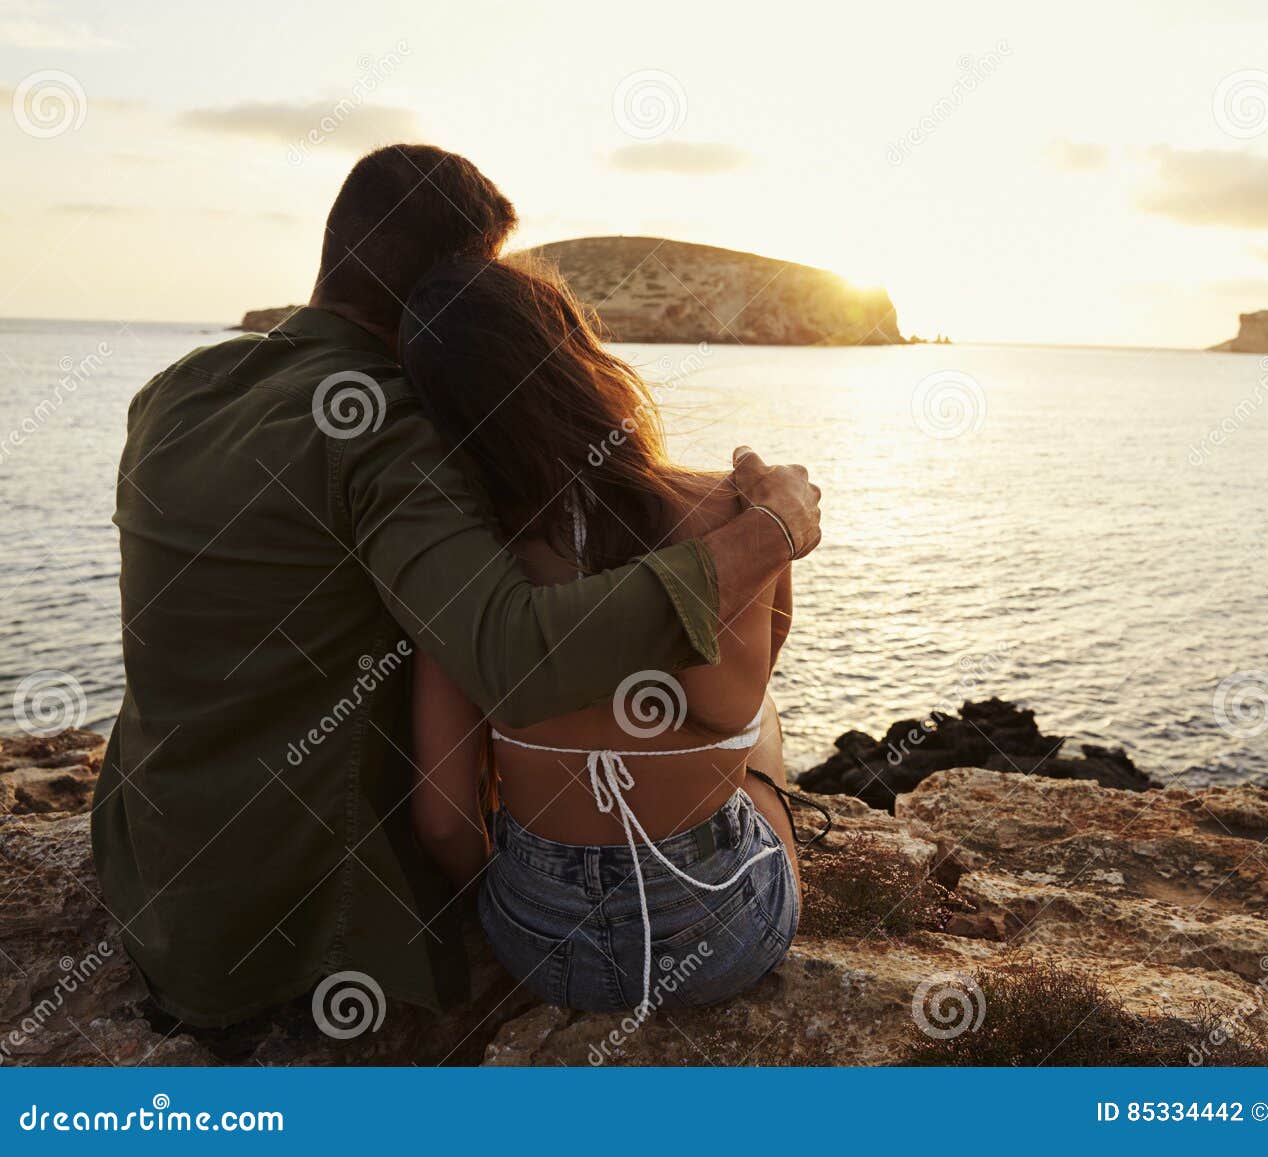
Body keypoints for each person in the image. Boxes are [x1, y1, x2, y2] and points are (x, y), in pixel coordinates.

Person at [90, 144, 821, 1028]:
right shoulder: (386, 428)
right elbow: (516, 657)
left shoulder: (173, 394)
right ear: (449, 296)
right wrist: (767, 536)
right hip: (300, 939)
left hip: (156, 889)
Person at [402, 258, 805, 1013]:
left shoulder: (471, 572)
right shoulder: (734, 512)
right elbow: (749, 689)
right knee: (763, 730)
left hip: (540, 940)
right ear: (581, 361)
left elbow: (443, 816)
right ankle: (775, 805)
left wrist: (520, 882)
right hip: (721, 925)